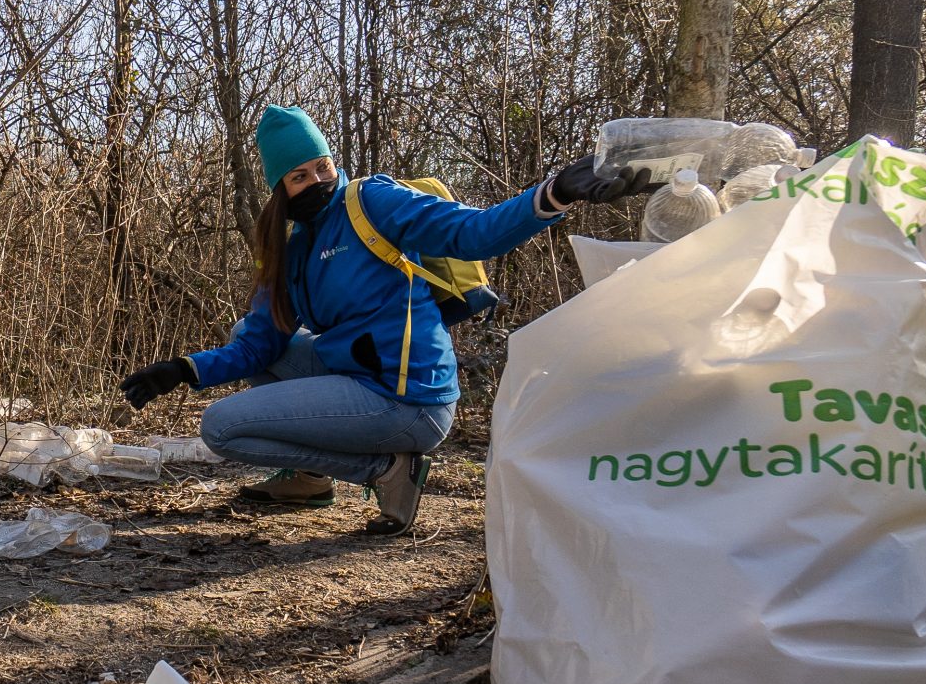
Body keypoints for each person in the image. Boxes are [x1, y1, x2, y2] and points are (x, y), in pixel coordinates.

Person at [119, 105, 642, 534]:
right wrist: (183, 369)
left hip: (408, 400)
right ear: (281, 189)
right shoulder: (293, 250)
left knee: (221, 428)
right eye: (299, 176)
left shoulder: (371, 201)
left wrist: (554, 193)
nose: (317, 180)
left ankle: (387, 469)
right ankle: (307, 478)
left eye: (322, 165)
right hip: (356, 380)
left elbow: (474, 233)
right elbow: (258, 347)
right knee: (243, 334)